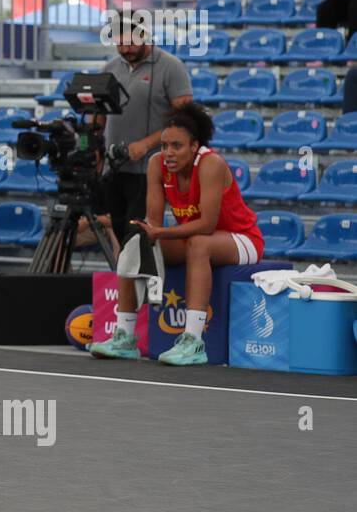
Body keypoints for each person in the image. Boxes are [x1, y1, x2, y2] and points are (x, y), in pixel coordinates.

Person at [89, 103, 264, 366]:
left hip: (242, 239)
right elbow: (154, 224)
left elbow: (206, 225)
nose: (168, 153)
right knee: (135, 242)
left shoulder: (210, 164)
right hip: (198, 239)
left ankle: (193, 342)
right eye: (164, 145)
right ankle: (124, 337)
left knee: (198, 244)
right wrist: (148, 235)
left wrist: (160, 232)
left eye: (177, 146)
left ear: (194, 146)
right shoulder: (157, 164)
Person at [98, 14, 193, 249]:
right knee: (120, 231)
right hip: (116, 167)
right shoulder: (110, 68)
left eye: (131, 43)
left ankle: (145, 282)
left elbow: (185, 119)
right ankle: (127, 282)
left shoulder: (171, 66)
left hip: (149, 169)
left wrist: (147, 144)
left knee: (138, 235)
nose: (126, 49)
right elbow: (98, 118)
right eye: (120, 44)